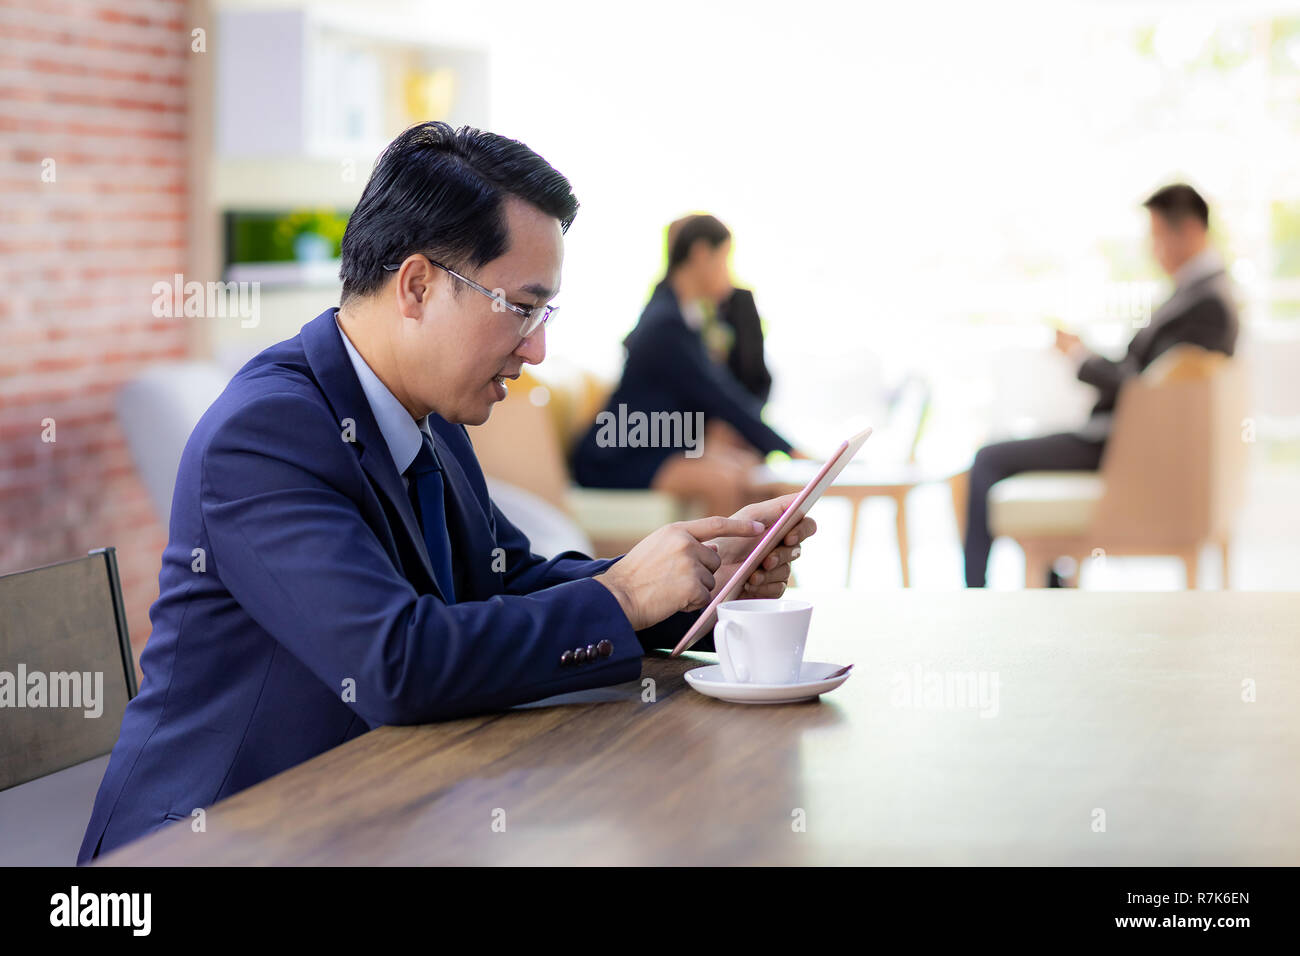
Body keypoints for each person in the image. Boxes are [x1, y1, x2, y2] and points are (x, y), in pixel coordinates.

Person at [77, 124, 816, 862]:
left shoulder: (424, 411)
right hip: (212, 841)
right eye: (522, 308)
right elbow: (391, 662)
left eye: (544, 313)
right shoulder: (266, 434)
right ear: (419, 285)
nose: (537, 349)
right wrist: (620, 597)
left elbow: (505, 578)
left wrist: (694, 587)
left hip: (372, 811)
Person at [964, 183, 1239, 588]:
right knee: (1002, 446)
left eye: (1157, 236)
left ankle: (975, 597)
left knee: (988, 457)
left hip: (1121, 442)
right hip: (1126, 434)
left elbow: (1141, 390)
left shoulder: (1207, 302)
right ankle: (1051, 582)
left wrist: (1080, 357)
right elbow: (1145, 376)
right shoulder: (1201, 294)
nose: (1153, 248)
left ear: (1191, 230)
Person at [571, 214, 800, 517]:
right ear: (702, 254)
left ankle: (752, 561)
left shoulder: (679, 315)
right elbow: (720, 395)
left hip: (654, 446)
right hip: (616, 457)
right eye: (724, 260)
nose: (729, 275)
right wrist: (790, 450)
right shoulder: (666, 323)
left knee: (742, 468)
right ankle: (724, 565)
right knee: (723, 481)